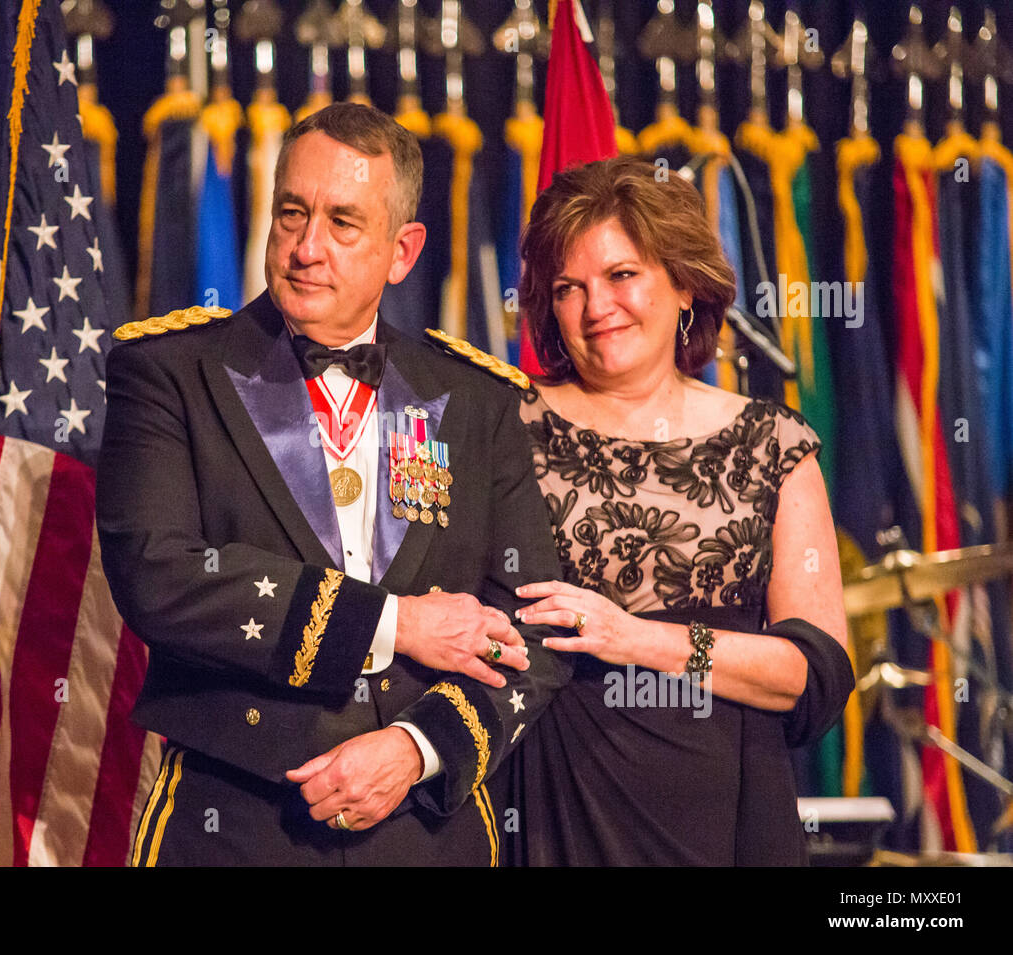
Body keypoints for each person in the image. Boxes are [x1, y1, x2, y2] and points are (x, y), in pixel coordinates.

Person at [96, 103, 570, 866]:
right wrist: (397, 624)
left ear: (402, 251)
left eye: (343, 223)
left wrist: (417, 749)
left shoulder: (476, 400)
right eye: (292, 213)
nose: (306, 248)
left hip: (428, 826)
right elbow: (160, 574)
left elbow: (537, 624)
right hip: (234, 819)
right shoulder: (167, 372)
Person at [505, 155, 855, 865]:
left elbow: (813, 674)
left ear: (686, 284)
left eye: (621, 275)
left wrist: (632, 638)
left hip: (727, 819)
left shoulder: (772, 444)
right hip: (542, 810)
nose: (595, 307)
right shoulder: (499, 426)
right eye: (568, 288)